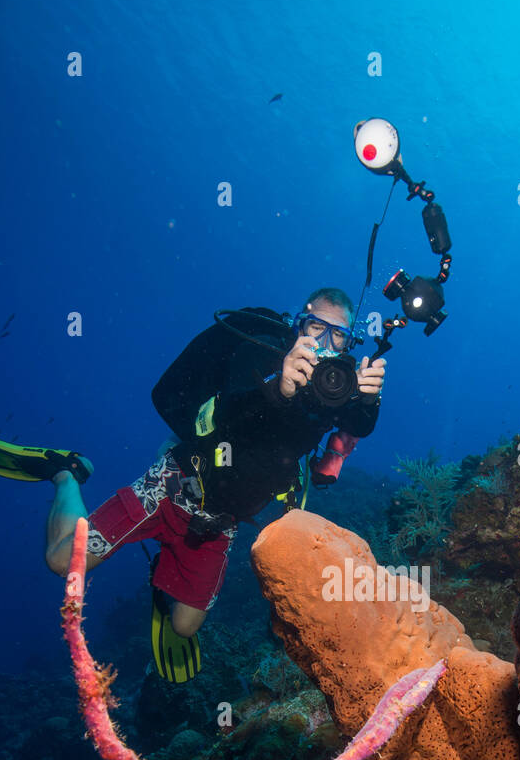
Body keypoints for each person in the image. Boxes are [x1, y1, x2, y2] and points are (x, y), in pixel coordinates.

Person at [43, 288, 386, 680]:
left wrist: (367, 399)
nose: (324, 343)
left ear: (350, 341)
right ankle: (66, 473)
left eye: (337, 335)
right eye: (315, 327)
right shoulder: (262, 356)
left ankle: (162, 576)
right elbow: (224, 415)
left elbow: (358, 427)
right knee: (62, 562)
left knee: (185, 626)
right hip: (172, 486)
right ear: (298, 324)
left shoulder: (335, 385)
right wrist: (277, 386)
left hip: (220, 523)